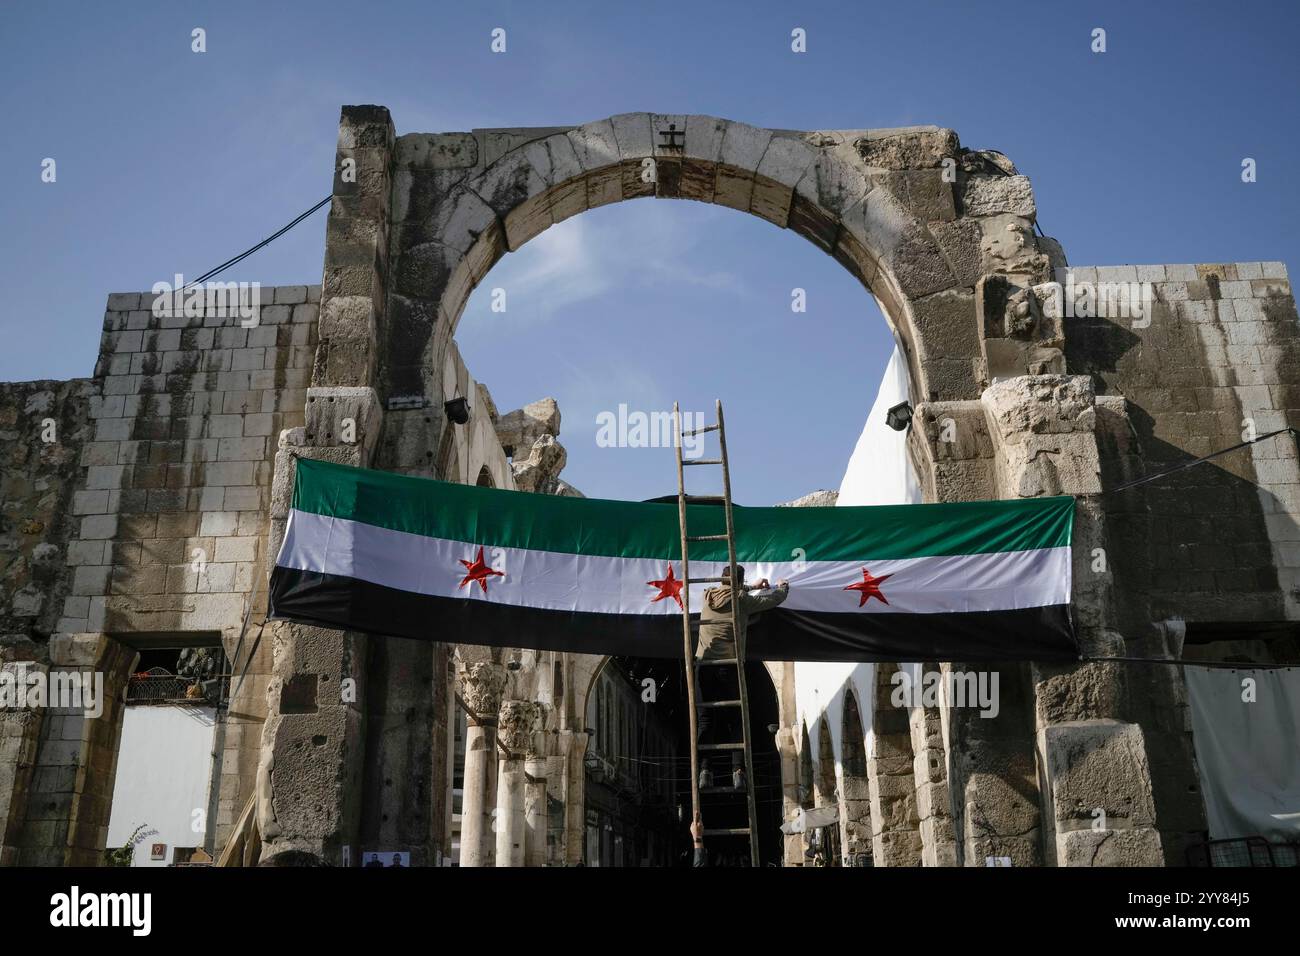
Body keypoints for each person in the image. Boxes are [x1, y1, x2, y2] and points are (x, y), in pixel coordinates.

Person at [695, 565, 788, 743]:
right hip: (729, 665)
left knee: (705, 720)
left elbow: (727, 592)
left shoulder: (706, 596)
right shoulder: (742, 600)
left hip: (704, 665)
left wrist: (751, 586)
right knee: (737, 718)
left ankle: (704, 769)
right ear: (739, 582)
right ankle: (738, 768)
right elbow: (773, 599)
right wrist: (783, 586)